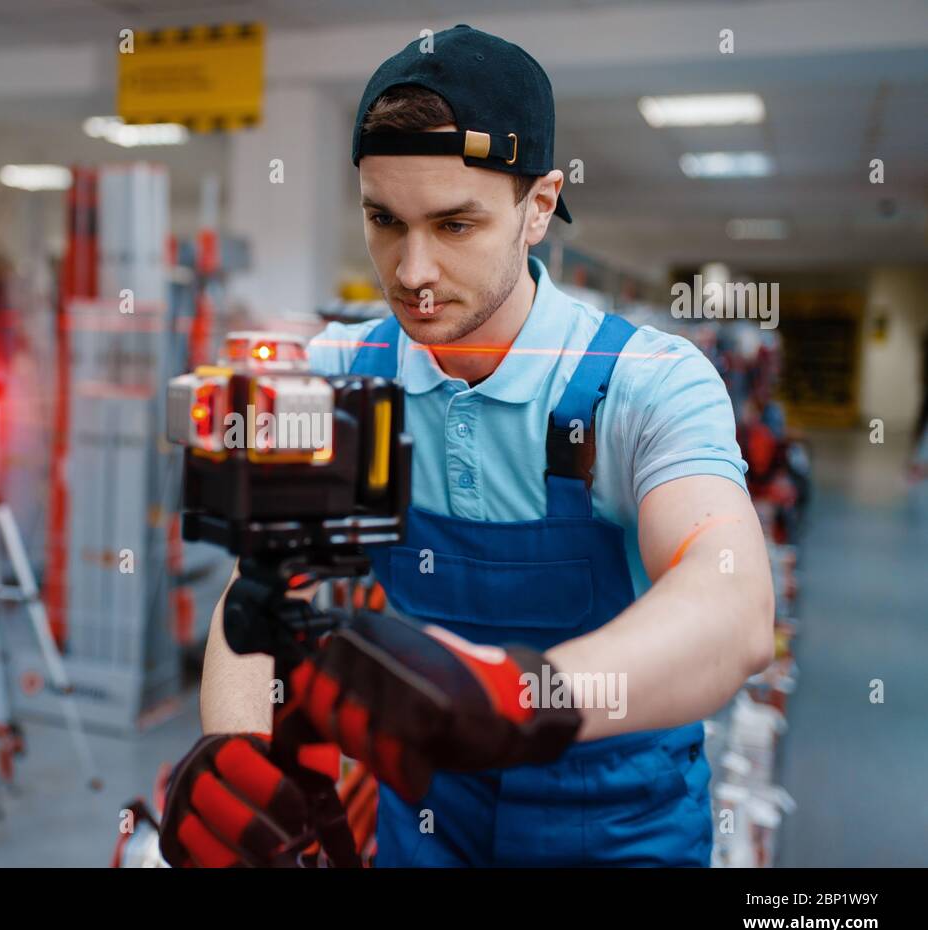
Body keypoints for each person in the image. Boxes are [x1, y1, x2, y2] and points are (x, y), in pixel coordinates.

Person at [160, 24, 775, 868]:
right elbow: (260, 584)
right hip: (426, 814)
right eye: (385, 220)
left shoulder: (646, 383)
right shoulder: (339, 376)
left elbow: (733, 606)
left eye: (454, 226)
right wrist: (242, 761)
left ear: (540, 206)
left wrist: (523, 696)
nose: (412, 270)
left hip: (618, 824)